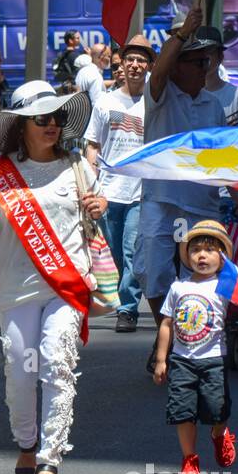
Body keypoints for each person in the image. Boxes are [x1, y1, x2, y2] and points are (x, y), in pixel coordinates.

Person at [0, 80, 98, 474]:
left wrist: (98, 205)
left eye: (58, 118)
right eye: (43, 119)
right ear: (22, 125)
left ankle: (50, 457)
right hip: (17, 288)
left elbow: (94, 211)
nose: (53, 125)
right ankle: (27, 445)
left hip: (66, 285)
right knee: (20, 370)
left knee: (56, 361)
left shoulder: (78, 166)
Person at [139, 7, 238, 371]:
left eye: (208, 62)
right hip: (161, 201)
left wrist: (237, 194)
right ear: (177, 67)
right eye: (197, 63)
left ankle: (198, 344)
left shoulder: (213, 107)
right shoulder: (159, 95)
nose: (206, 69)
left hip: (201, 205)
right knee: (153, 274)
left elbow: (222, 160)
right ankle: (168, 335)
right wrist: (183, 32)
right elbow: (158, 70)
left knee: (204, 277)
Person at [151, 220, 238, 474]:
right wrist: (161, 359)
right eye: (196, 249)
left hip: (214, 360)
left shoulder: (224, 286)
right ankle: (190, 459)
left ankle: (218, 433)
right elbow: (167, 323)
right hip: (182, 360)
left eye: (210, 250)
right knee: (182, 410)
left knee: (217, 408)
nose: (202, 255)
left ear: (221, 257)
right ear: (187, 256)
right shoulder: (179, 287)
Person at [86, 34, 155, 332]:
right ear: (122, 65)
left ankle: (128, 309)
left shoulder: (156, 103)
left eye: (141, 60)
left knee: (131, 251)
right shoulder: (105, 101)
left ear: (149, 66)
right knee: (112, 253)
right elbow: (93, 145)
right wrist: (90, 182)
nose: (136, 65)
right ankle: (116, 299)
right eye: (131, 60)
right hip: (107, 191)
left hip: (141, 192)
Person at [201, 27, 238, 126]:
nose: (204, 57)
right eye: (199, 52)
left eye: (209, 51)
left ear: (220, 57)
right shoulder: (185, 98)